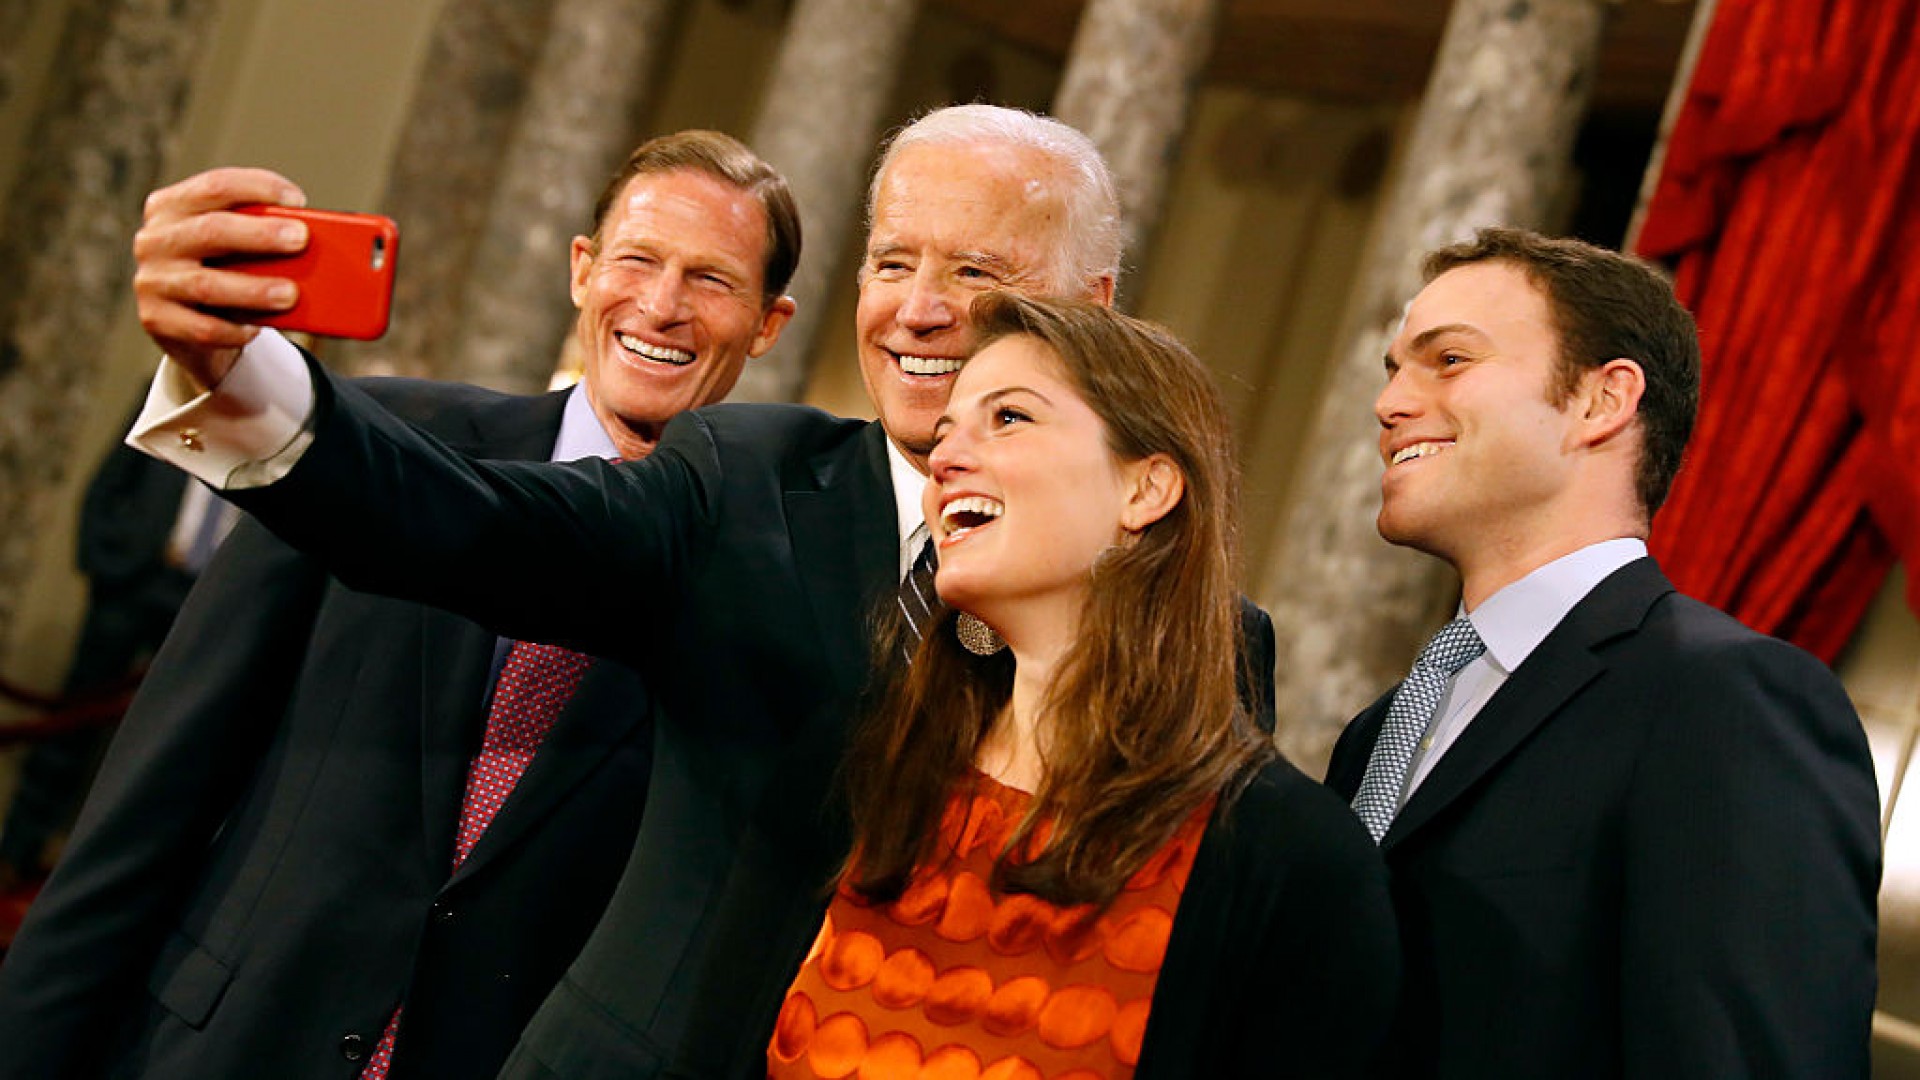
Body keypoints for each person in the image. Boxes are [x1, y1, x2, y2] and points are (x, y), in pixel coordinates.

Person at [115, 104, 1277, 1077]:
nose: (918, 310)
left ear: (1091, 302)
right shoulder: (743, 474)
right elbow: (481, 526)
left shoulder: (1207, 643)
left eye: (974, 271)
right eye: (891, 263)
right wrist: (247, 382)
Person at [0, 129, 799, 1079]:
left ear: (768, 325)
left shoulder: (762, 590)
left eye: (711, 280)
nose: (662, 306)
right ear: (582, 270)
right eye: (638, 260)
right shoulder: (372, 447)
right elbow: (154, 795)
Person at [688, 293, 1397, 1078]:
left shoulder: (1290, 861)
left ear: (1146, 490)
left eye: (1009, 418)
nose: (945, 459)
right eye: (946, 431)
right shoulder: (861, 763)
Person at [1320, 227, 1880, 1077]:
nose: (1390, 402)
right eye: (1393, 368)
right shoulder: (1383, 727)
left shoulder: (1725, 700)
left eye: (1449, 360)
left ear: (1601, 401)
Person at [0, 418, 231, 893]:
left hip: (200, 603)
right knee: (69, 729)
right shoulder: (179, 393)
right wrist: (103, 560)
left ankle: (95, 880)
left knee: (157, 751)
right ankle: (17, 851)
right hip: (132, 583)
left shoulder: (282, 419)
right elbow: (112, 479)